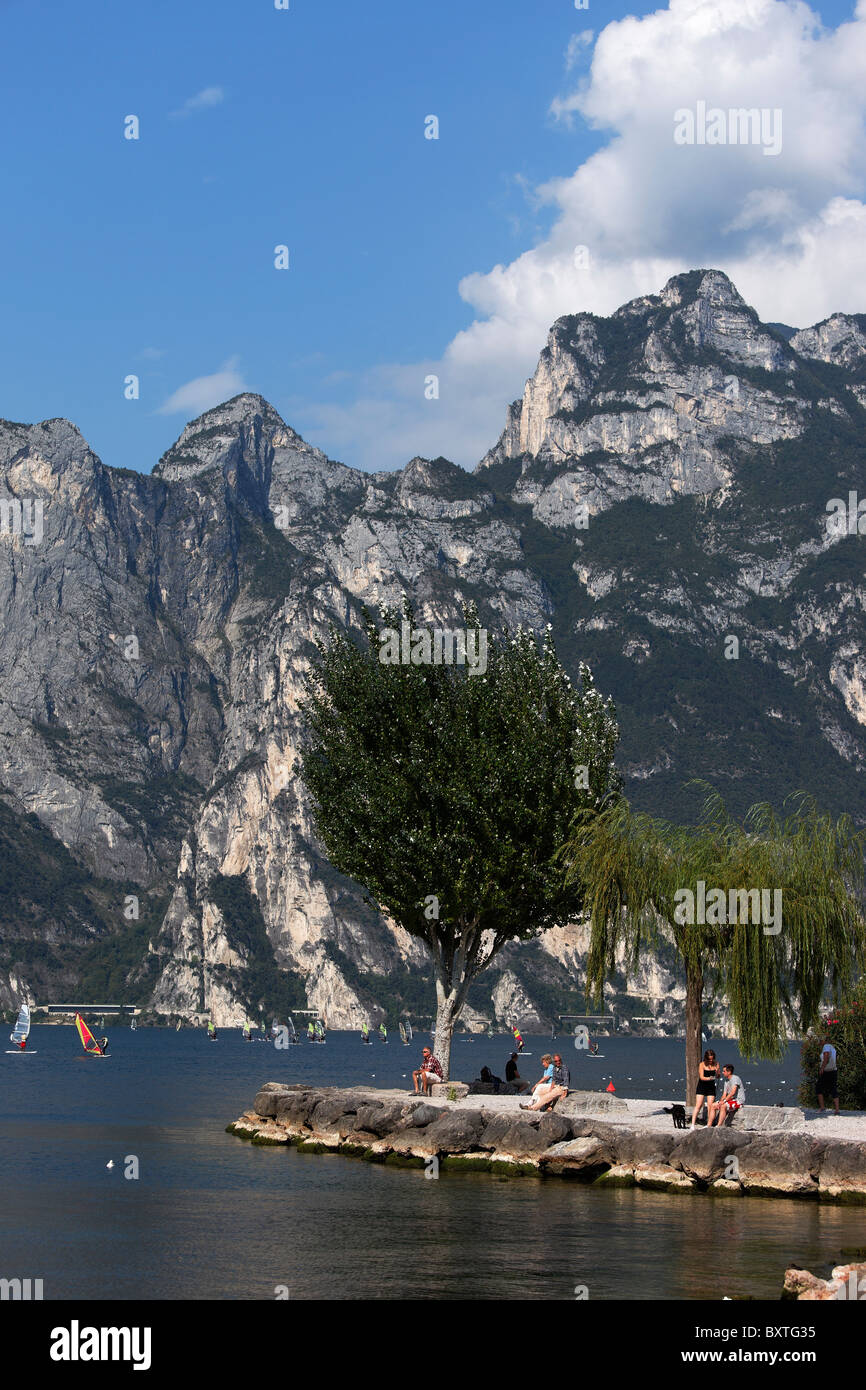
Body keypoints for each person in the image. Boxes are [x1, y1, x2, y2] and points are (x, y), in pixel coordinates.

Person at [690, 1049, 720, 1129]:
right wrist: (709, 1078)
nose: (711, 1061)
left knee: (710, 1105)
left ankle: (709, 1124)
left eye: (712, 1059)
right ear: (706, 1058)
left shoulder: (716, 1063)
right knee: (699, 1105)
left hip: (711, 1086)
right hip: (702, 1085)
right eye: (709, 1059)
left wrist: (717, 1072)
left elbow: (718, 1076)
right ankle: (692, 1124)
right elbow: (702, 1077)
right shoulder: (702, 1064)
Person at [818, 1035, 840, 1114]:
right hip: (834, 1070)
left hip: (827, 1071)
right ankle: (837, 1109)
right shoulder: (833, 1048)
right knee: (833, 1089)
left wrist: (822, 1068)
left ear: (824, 1041)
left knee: (819, 1088)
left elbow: (826, 1057)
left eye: (820, 1040)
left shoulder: (826, 1046)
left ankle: (822, 1107)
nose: (819, 1042)